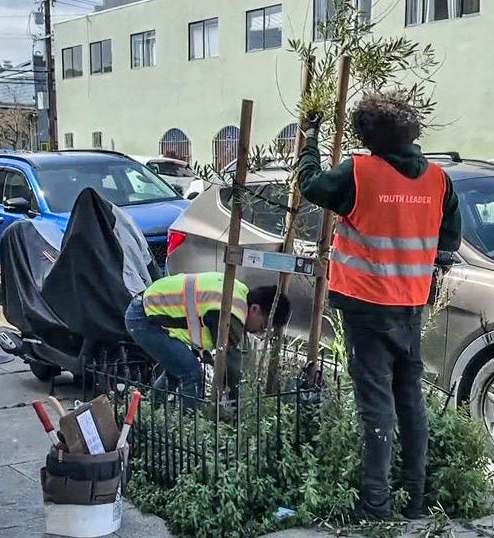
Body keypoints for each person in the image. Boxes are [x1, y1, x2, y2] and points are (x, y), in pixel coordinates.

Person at [297, 91, 462, 520]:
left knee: (376, 403)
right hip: (410, 305)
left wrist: (310, 138)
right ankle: (416, 499)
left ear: (367, 135)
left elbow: (311, 185)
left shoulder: (361, 172)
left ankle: (376, 505)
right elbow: (449, 241)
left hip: (366, 304)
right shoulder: (438, 179)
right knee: (410, 398)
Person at [124, 271, 291, 409]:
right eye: (263, 326)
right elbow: (232, 367)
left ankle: (149, 412)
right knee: (191, 373)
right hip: (143, 319)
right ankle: (187, 431)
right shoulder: (232, 313)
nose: (259, 332)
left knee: (178, 368)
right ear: (255, 309)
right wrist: (238, 407)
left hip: (145, 309)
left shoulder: (239, 293)